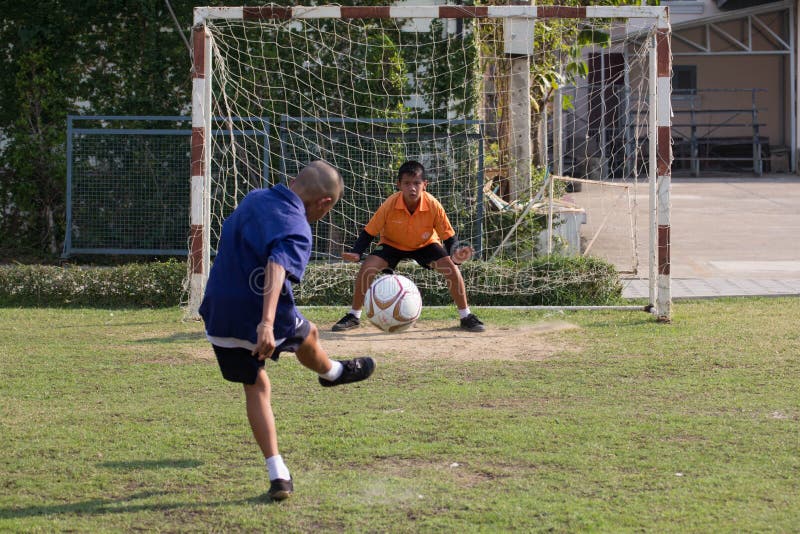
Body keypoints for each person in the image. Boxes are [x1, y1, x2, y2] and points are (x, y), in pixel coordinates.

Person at [199, 160, 375, 501]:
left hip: (217, 313)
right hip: (259, 314)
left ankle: (278, 473)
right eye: (330, 208)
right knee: (308, 334)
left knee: (256, 383)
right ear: (324, 203)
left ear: (294, 181)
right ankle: (333, 372)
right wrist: (265, 323)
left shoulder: (253, 198)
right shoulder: (297, 226)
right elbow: (277, 265)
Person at [332, 160, 485, 333]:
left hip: (425, 245)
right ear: (399, 185)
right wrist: (357, 252)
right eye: (407, 183)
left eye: (417, 183)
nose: (412, 188)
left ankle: (466, 316)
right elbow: (369, 232)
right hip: (391, 244)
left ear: (424, 185)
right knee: (367, 268)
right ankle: (354, 316)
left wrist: (456, 253)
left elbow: (448, 236)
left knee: (451, 269)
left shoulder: (433, 205)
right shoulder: (389, 204)